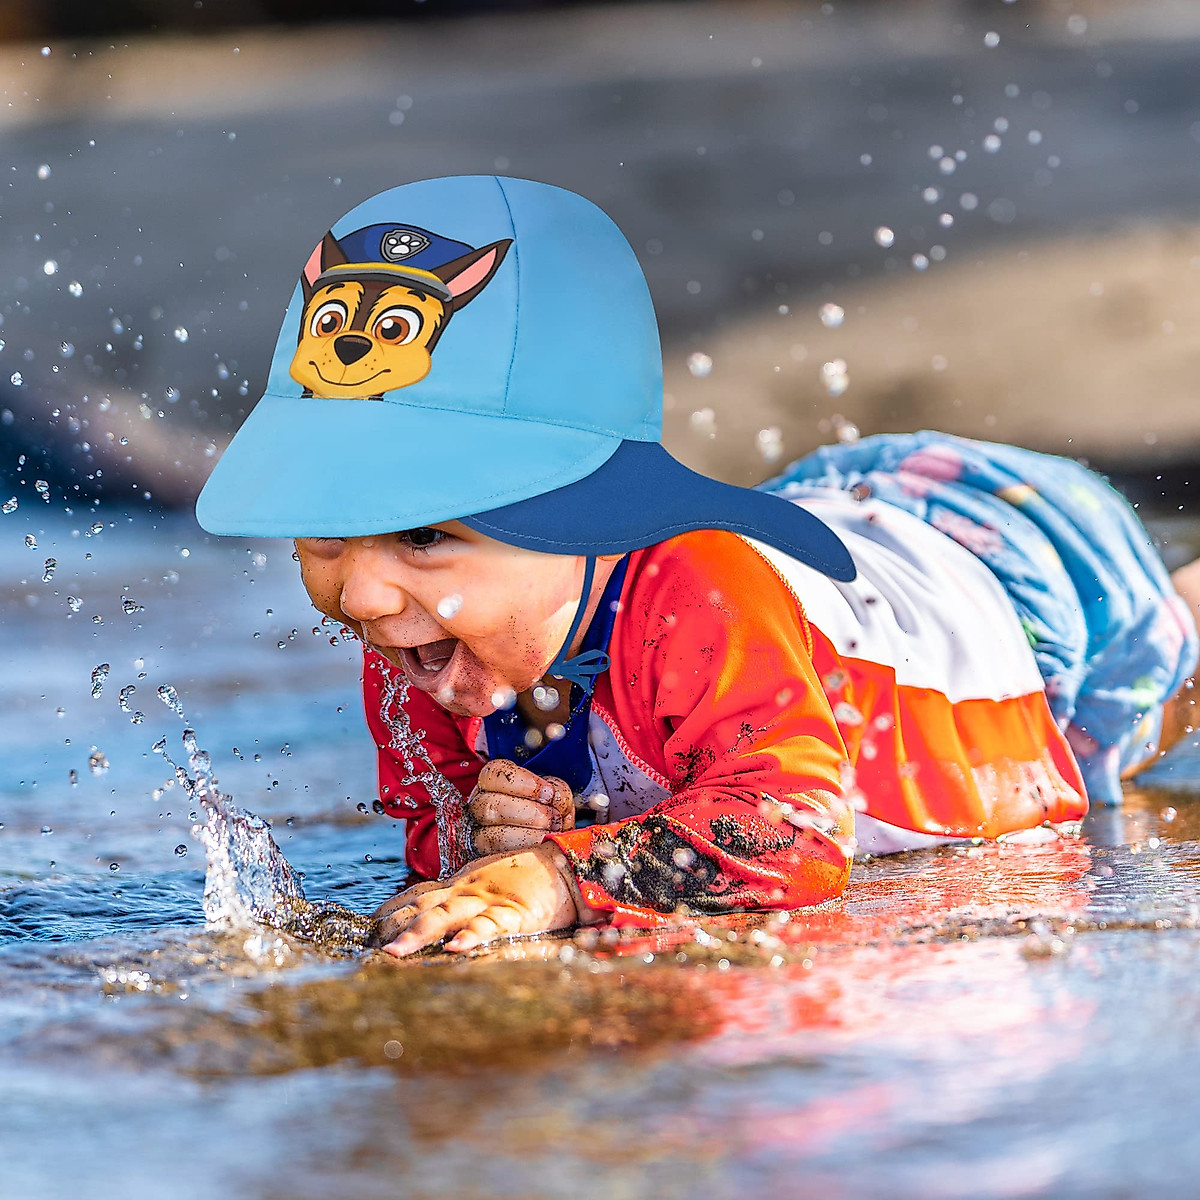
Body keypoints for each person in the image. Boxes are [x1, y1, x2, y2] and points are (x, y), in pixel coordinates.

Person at [195, 175, 1199, 957]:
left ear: (582, 517)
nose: (360, 596)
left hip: (1010, 583)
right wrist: (492, 837)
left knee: (1153, 716)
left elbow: (793, 829)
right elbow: (435, 840)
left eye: (422, 536)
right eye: (328, 537)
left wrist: (553, 877)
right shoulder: (425, 635)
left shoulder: (696, 593)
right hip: (845, 537)